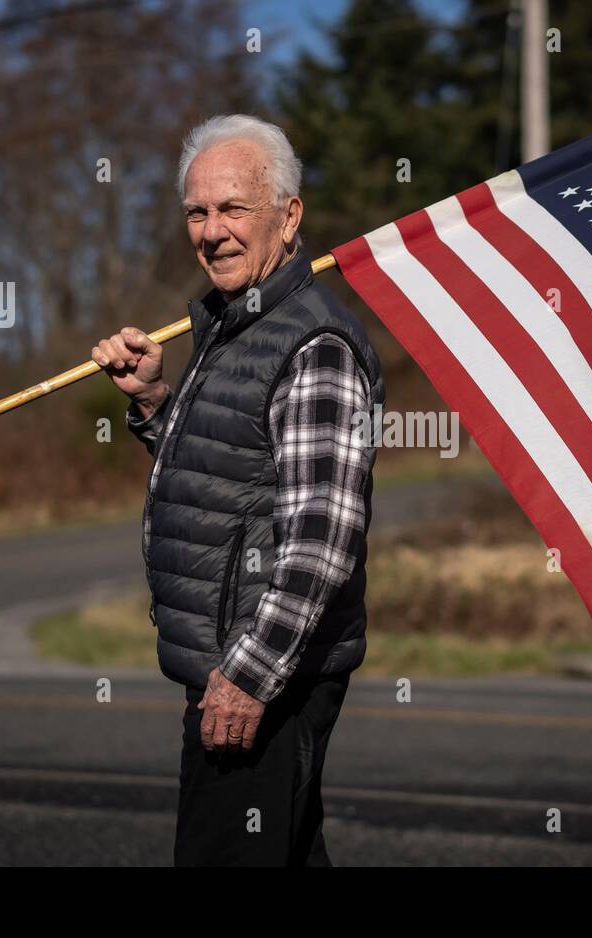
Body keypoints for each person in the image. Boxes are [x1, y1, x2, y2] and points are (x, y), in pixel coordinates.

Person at [89, 114, 385, 866]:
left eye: (233, 209)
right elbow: (229, 479)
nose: (212, 231)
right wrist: (155, 402)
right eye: (198, 211)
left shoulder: (310, 343)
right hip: (236, 667)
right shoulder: (232, 328)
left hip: (262, 678)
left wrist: (248, 679)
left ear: (288, 218)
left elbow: (321, 539)